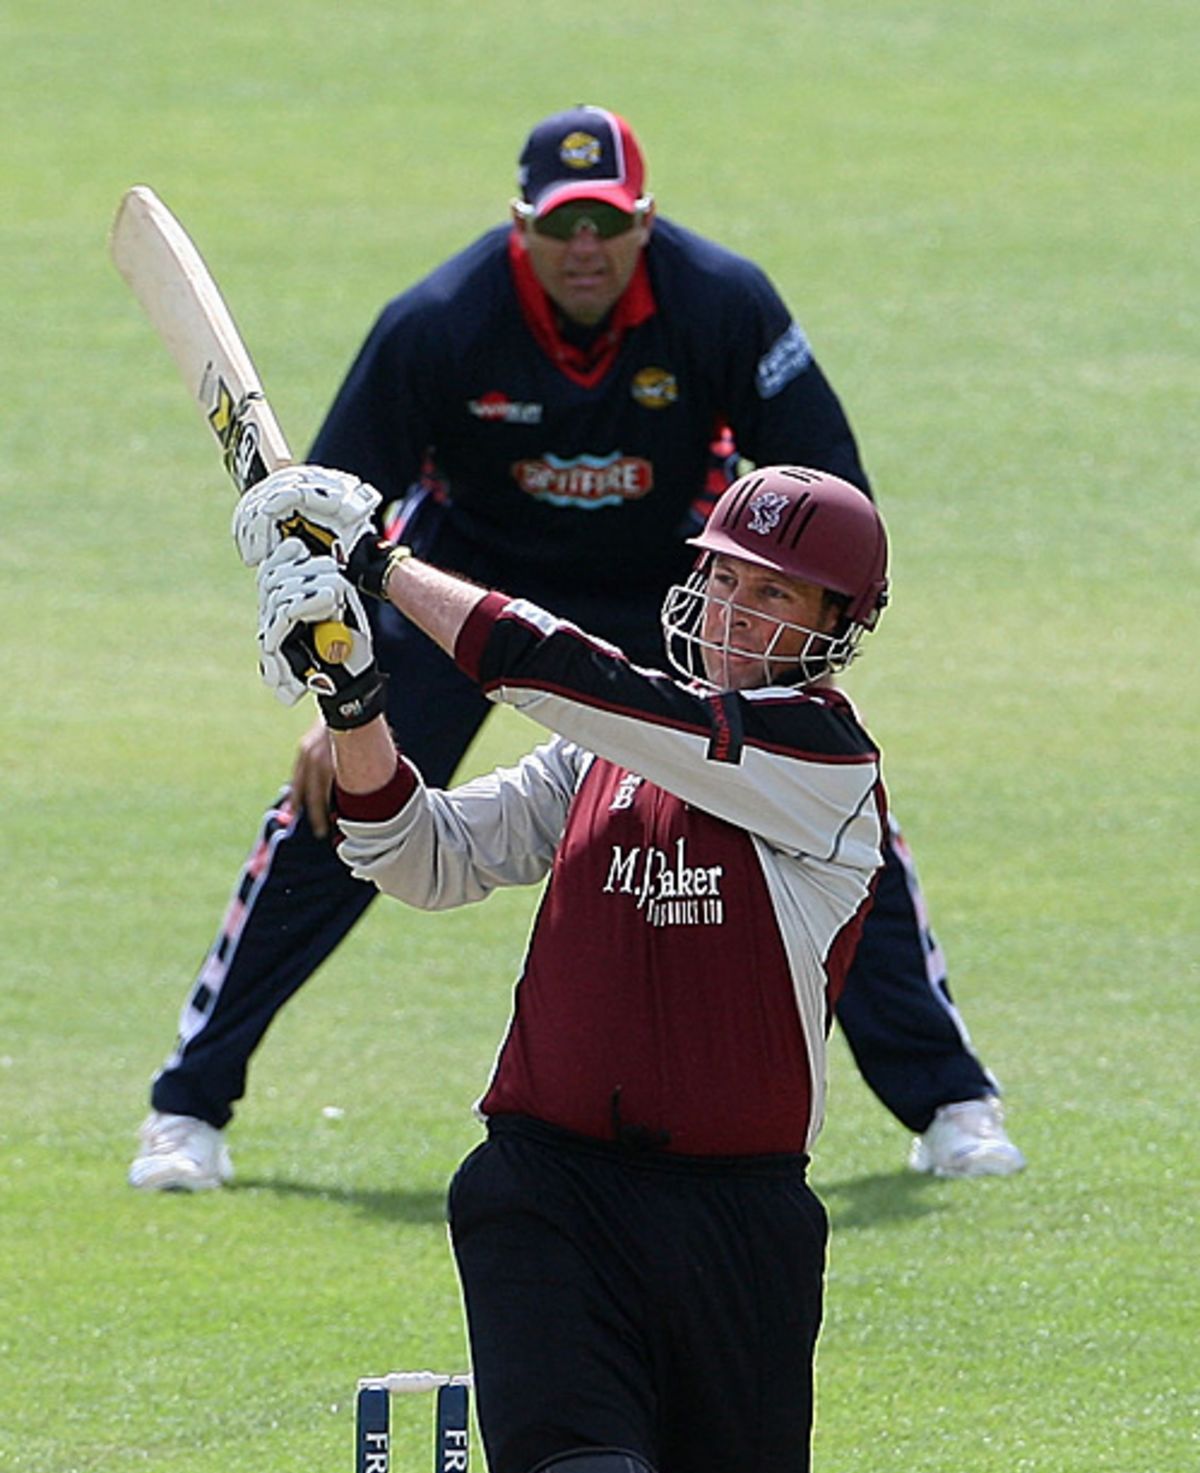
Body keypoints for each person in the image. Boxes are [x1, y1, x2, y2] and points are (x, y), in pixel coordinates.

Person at [232, 452, 890, 1473]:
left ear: (831, 633)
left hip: (743, 1231)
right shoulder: (595, 760)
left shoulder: (817, 769)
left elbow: (565, 673)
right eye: (722, 579)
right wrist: (349, 697)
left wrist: (381, 557)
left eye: (774, 594)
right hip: (549, 1204)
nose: (734, 608)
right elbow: (418, 853)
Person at [128, 103, 1023, 1194]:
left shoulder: (722, 305)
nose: (586, 248)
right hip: (468, 575)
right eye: (562, 228)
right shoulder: (438, 323)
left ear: (645, 223)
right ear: (521, 226)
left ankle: (950, 1099)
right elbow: (327, 510)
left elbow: (827, 495)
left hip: (679, 589)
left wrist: (780, 662)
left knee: (823, 827)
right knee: (332, 801)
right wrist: (340, 705)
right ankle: (187, 1106)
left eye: (608, 224)